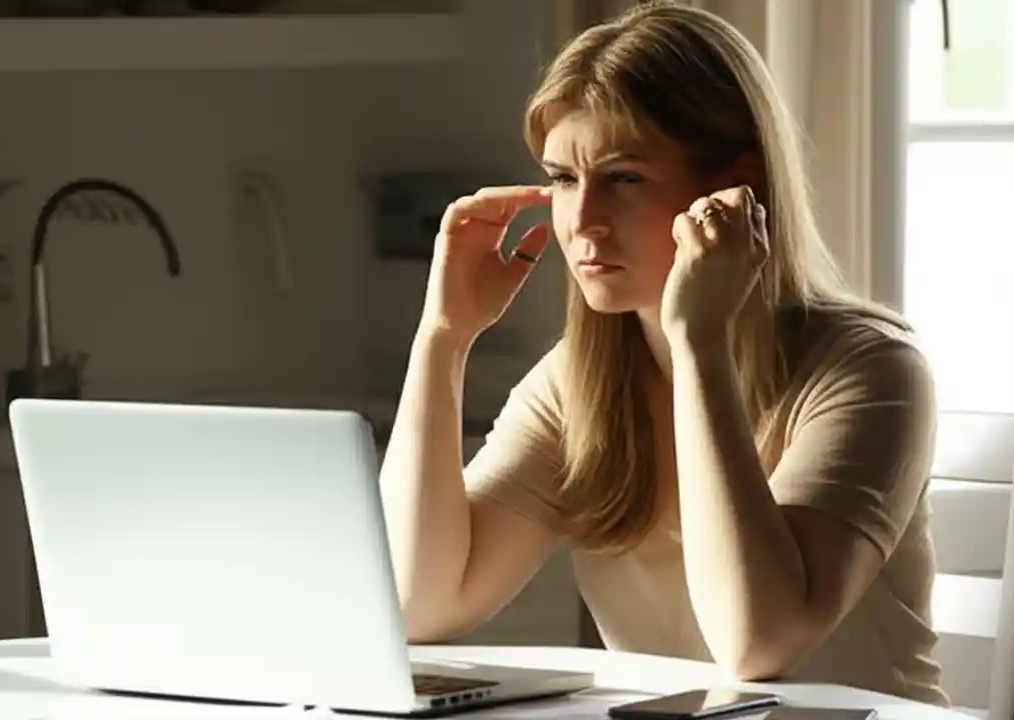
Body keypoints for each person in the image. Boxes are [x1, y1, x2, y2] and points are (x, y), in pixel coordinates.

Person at [377, 0, 946, 706]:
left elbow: (756, 643)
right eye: (561, 179)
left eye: (623, 178)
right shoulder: (575, 384)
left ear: (737, 187)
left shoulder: (869, 370)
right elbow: (417, 606)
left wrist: (699, 341)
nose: (582, 221)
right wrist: (442, 337)